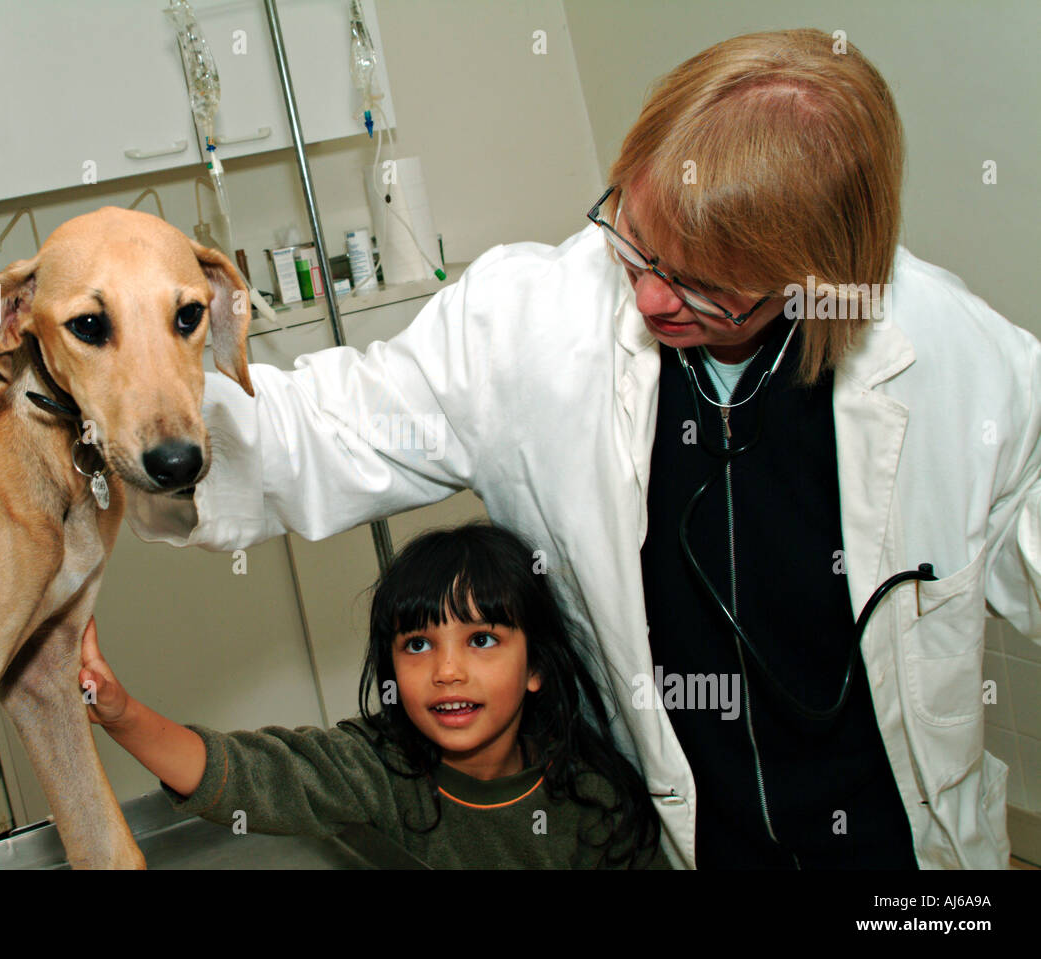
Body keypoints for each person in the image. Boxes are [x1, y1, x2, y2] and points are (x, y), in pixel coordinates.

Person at [125, 29, 1041, 868]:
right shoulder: (533, 325)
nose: (646, 301)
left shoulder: (970, 372)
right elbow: (318, 431)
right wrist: (118, 415)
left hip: (910, 869)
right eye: (634, 244)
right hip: (688, 846)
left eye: (704, 289)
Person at [82, 522, 668, 869]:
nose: (447, 671)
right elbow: (253, 775)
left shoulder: (595, 801)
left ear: (536, 666)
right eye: (417, 645)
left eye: (482, 639)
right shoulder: (379, 768)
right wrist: (122, 714)